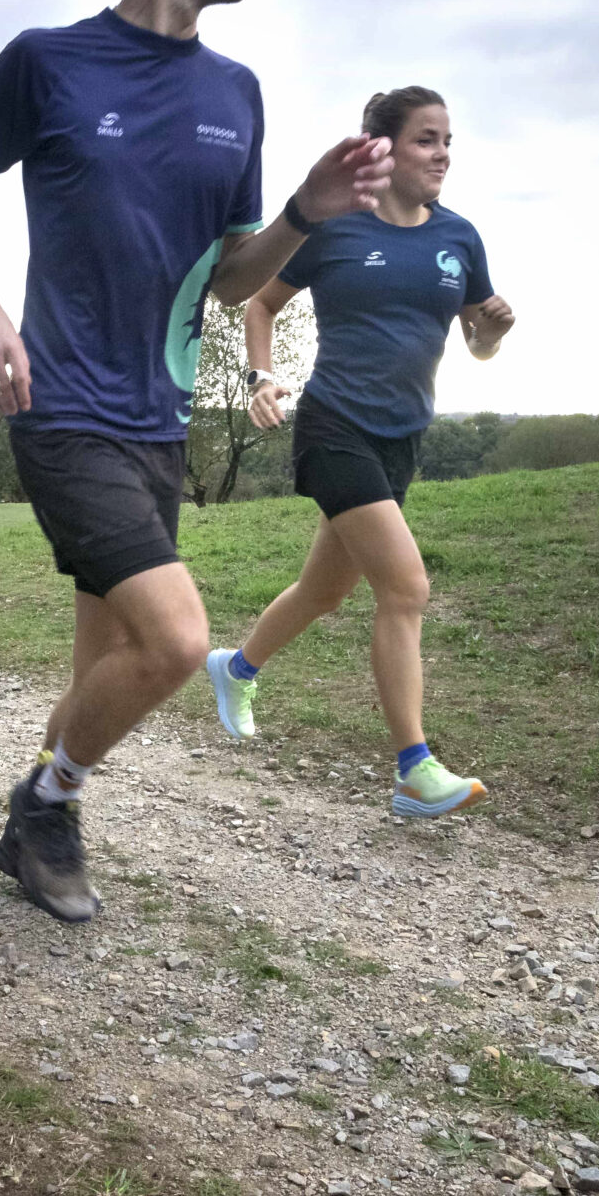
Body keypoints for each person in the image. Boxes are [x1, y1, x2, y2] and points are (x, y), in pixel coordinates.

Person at [0, 0, 394, 921]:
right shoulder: (48, 64)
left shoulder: (237, 96)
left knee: (103, 665)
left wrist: (306, 215)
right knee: (177, 640)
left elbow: (231, 280)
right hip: (61, 406)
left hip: (156, 421)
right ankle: (47, 806)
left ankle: (38, 825)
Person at [203, 86, 516, 816]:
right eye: (425, 140)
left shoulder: (459, 238)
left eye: (447, 141)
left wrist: (493, 333)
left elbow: (476, 343)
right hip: (334, 425)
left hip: (401, 438)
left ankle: (237, 666)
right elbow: (259, 302)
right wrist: (262, 377)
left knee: (327, 590)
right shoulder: (335, 230)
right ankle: (414, 767)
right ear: (384, 148)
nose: (442, 154)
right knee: (404, 587)